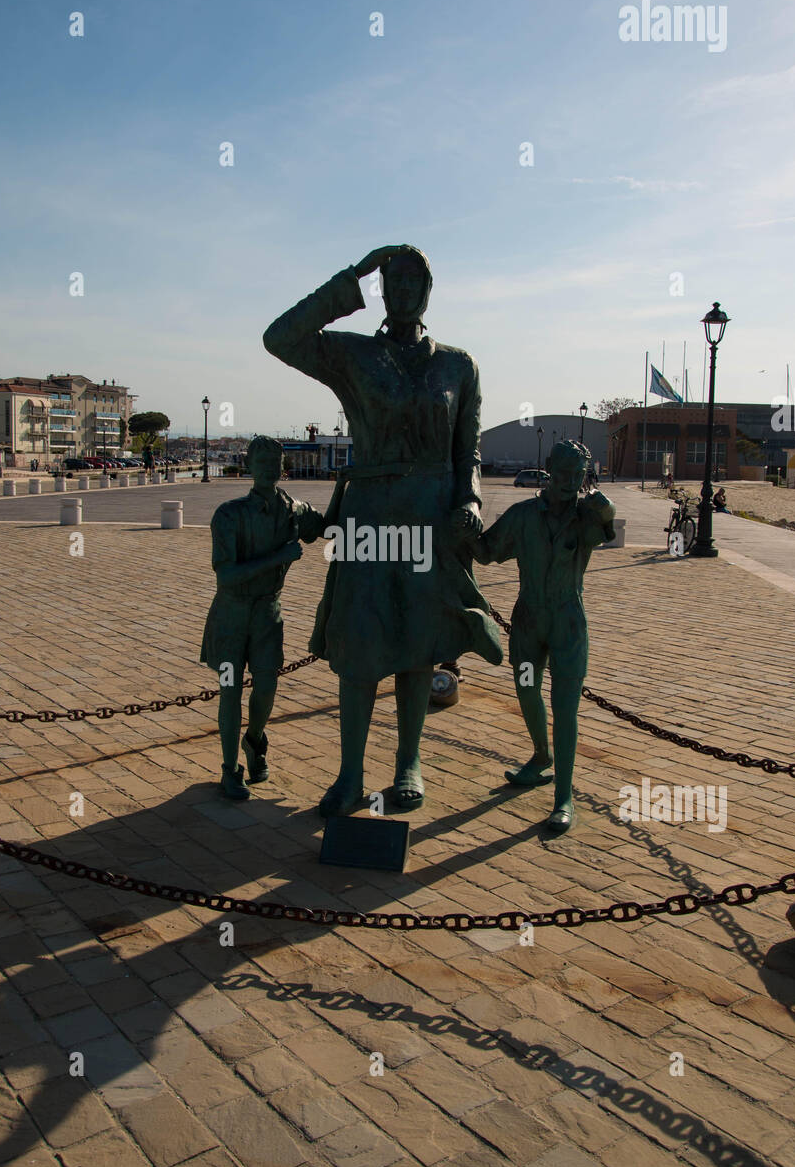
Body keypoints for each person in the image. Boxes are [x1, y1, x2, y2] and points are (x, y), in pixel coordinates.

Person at [263, 243, 502, 816]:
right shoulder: (353, 356)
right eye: (389, 284)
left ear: (427, 293)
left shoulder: (458, 365)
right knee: (361, 641)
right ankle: (349, 776)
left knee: (419, 642)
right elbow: (280, 338)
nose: (400, 293)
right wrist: (352, 276)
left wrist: (468, 499)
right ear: (381, 291)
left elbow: (466, 450)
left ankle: (408, 766)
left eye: (411, 283)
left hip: (430, 515)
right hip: (369, 514)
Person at [468, 440, 615, 833]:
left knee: (565, 708)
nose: (569, 483)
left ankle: (563, 796)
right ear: (549, 470)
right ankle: (540, 757)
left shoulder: (585, 517)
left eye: (578, 477)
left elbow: (606, 527)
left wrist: (606, 508)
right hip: (530, 621)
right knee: (527, 688)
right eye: (564, 474)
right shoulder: (522, 515)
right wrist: (464, 526)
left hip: (568, 622)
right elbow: (485, 552)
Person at [200, 436, 326, 800]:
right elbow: (225, 576)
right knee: (230, 690)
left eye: (276, 461)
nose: (270, 467)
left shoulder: (294, 510)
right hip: (230, 615)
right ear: (250, 466)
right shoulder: (229, 514)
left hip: (268, 613)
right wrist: (278, 556)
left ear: (282, 467)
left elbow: (327, 526)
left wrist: (353, 488)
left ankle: (254, 740)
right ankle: (230, 769)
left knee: (267, 686)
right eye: (262, 461)